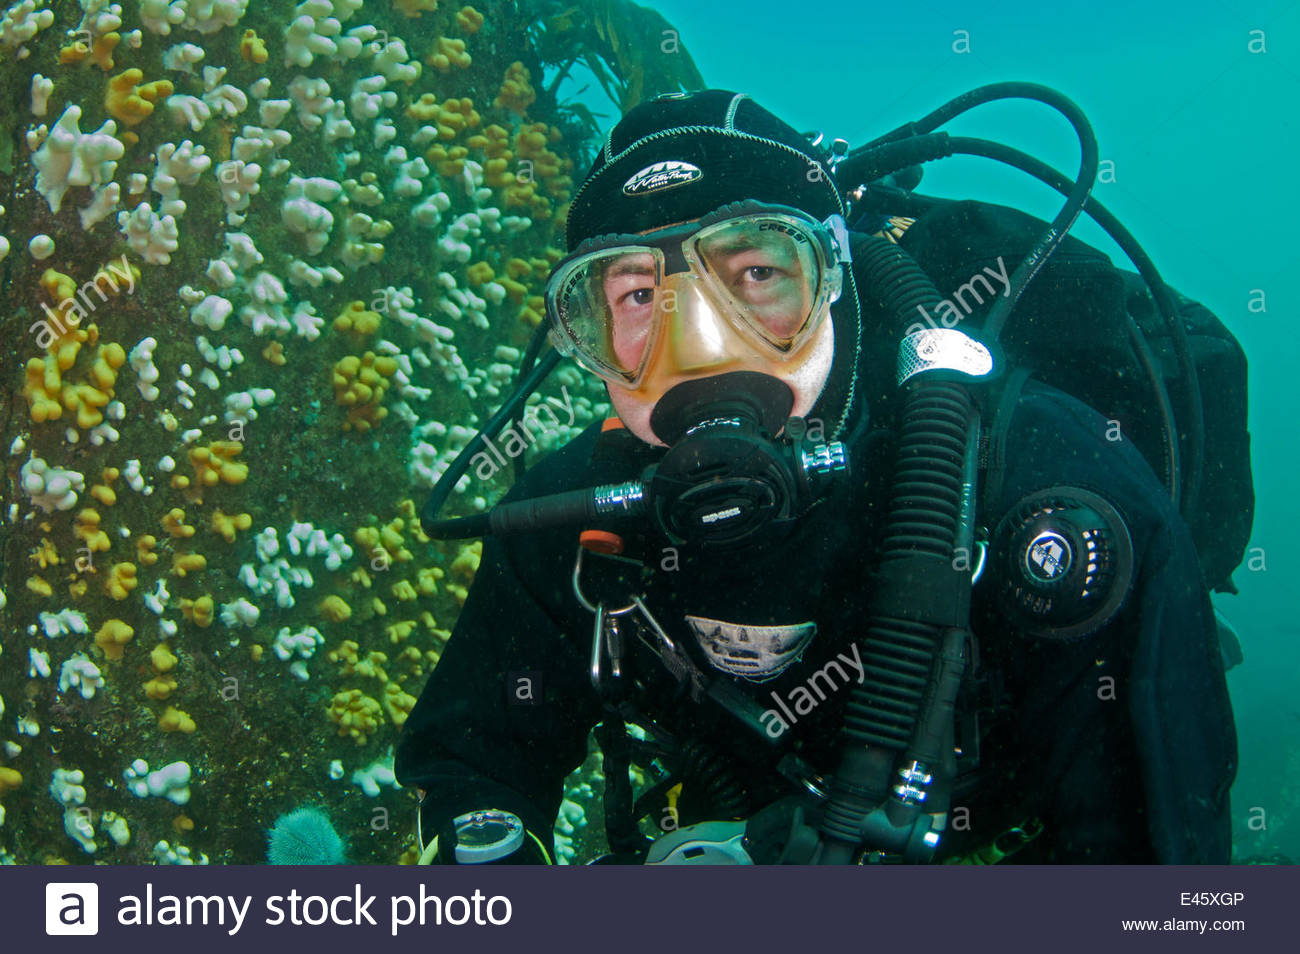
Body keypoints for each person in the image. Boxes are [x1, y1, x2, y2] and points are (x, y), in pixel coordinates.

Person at [396, 89, 1242, 864]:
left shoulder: (1044, 479)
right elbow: (475, 760)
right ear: (580, 331)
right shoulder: (565, 520)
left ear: (832, 278)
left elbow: (1152, 873)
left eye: (757, 275)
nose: (696, 351)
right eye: (634, 297)